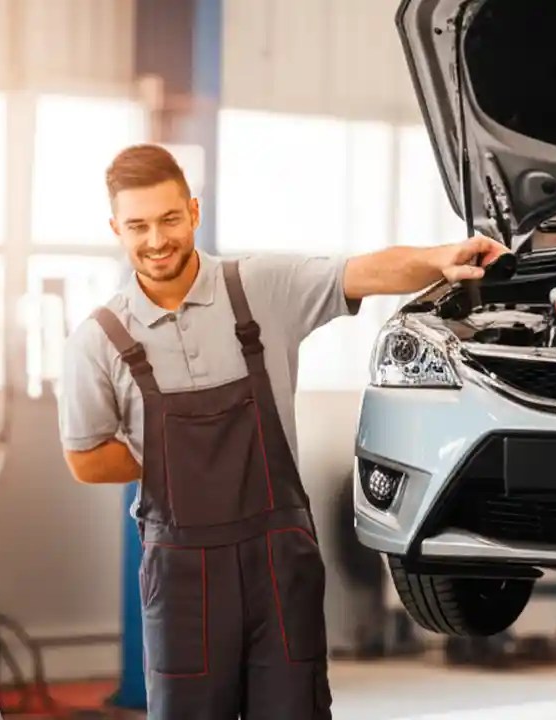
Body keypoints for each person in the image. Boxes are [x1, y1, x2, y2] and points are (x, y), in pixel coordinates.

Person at [58, 144, 510, 719]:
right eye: (138, 225)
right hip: (182, 579)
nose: (156, 240)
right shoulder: (99, 339)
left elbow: (362, 271)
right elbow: (87, 459)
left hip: (278, 564)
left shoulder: (260, 287)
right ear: (115, 229)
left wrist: (444, 257)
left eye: (169, 219)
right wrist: (178, 460)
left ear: (193, 212)